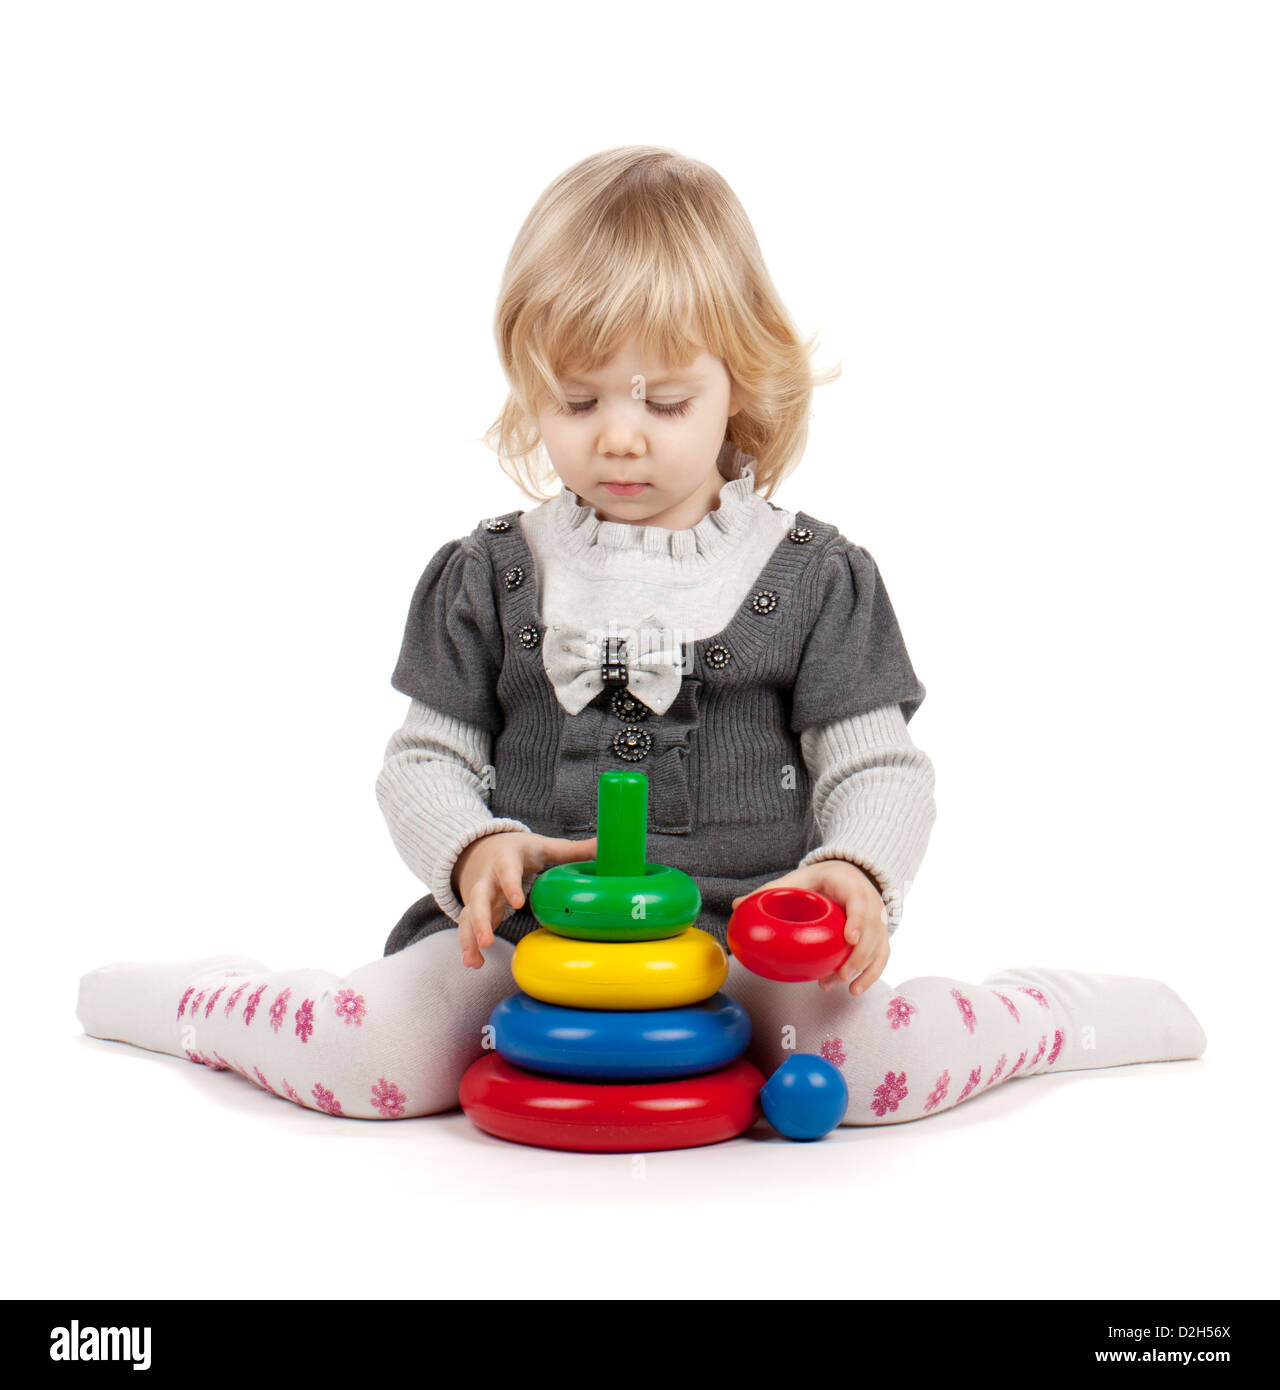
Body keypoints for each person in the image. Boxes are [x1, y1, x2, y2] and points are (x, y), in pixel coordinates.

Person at [76, 145, 1206, 1125]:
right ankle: (192, 1006)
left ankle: (1049, 1017)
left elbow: (876, 764)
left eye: (664, 403)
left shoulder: (815, 578)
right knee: (377, 1055)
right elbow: (423, 760)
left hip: (746, 940)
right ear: (530, 387)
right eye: (576, 402)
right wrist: (473, 852)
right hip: (526, 943)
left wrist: (851, 872)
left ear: (738, 384)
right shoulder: (490, 573)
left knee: (875, 1068)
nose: (619, 439)